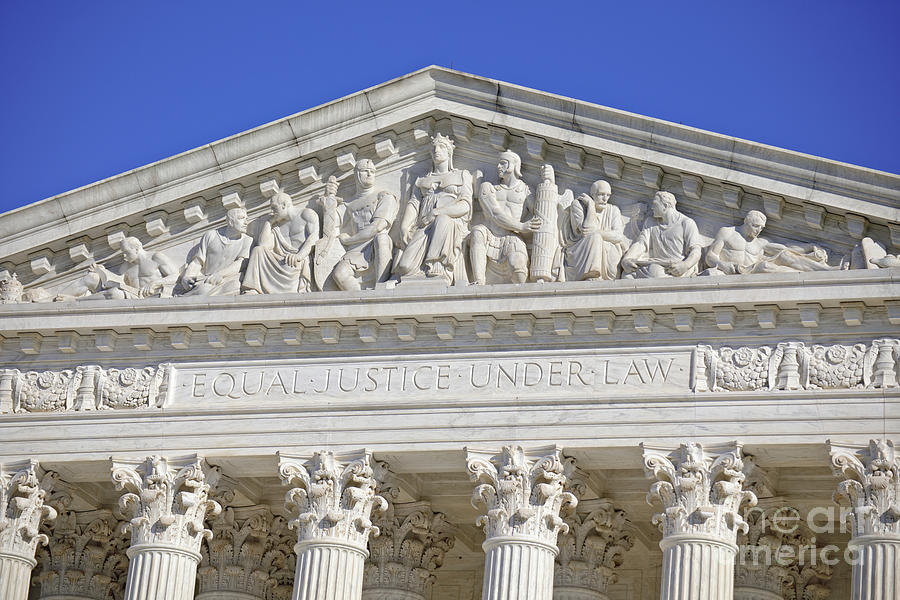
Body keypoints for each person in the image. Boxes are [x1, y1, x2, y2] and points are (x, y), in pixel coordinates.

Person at [394, 134, 473, 284]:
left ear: (450, 152)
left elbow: (465, 206)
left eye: (442, 147)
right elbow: (414, 203)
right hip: (424, 225)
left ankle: (438, 267)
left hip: (450, 224)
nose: (437, 150)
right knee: (405, 267)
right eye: (434, 148)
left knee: (443, 220)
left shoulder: (462, 175)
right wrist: (404, 226)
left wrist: (437, 212)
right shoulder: (422, 180)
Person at [468, 150, 539, 285]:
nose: (498, 167)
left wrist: (549, 183)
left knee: (519, 272)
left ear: (515, 165)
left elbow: (540, 213)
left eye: (503, 163)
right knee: (478, 231)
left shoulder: (526, 190)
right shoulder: (488, 188)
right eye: (498, 164)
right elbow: (495, 214)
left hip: (512, 237)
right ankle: (478, 281)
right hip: (490, 235)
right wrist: (522, 226)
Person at [329, 159, 398, 290]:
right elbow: (331, 228)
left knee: (382, 238)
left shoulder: (384, 196)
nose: (369, 174)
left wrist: (349, 240)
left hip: (376, 245)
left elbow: (378, 226)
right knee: (339, 275)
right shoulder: (347, 204)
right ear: (356, 174)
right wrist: (330, 198)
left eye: (372, 171)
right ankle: (363, 302)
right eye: (365, 171)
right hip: (355, 251)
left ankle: (380, 288)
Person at [705, 210, 833, 274]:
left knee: (784, 255)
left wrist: (809, 247)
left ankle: (825, 271)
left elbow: (787, 249)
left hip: (751, 271)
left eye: (761, 228)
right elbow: (710, 256)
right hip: (734, 271)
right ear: (746, 221)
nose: (758, 231)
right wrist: (722, 265)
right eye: (755, 226)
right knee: (765, 266)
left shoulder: (760, 242)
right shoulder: (727, 232)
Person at [242, 191, 319, 294]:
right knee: (257, 250)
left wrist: (299, 256)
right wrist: (269, 222)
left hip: (297, 260)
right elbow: (263, 245)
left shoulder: (306, 214)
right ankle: (253, 289)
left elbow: (314, 237)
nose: (272, 212)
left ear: (284, 205)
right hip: (281, 260)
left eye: (274, 208)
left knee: (292, 263)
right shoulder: (277, 224)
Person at [58, 236, 179, 300]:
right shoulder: (126, 265)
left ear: (136, 248)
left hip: (151, 296)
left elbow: (176, 275)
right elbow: (116, 281)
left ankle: (75, 301)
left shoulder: (155, 257)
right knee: (92, 277)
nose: (124, 257)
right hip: (133, 295)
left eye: (126, 252)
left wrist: (156, 283)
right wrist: (101, 271)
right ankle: (54, 298)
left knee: (115, 294)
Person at [621, 191, 701, 278]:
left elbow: (696, 250)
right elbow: (641, 244)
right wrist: (627, 259)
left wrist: (685, 265)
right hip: (653, 265)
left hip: (675, 268)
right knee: (627, 275)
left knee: (655, 273)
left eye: (655, 204)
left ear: (665, 206)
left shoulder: (686, 223)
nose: (652, 208)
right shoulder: (650, 222)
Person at [561, 179, 626, 281]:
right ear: (592, 194)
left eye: (608, 195)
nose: (605, 199)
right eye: (601, 194)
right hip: (579, 250)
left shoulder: (613, 210)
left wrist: (596, 233)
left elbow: (618, 236)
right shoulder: (578, 205)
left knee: (597, 237)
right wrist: (591, 206)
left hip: (608, 252)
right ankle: (591, 274)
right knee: (594, 238)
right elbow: (585, 231)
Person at [180, 207, 252, 295]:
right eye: (241, 218)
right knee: (204, 289)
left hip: (228, 279)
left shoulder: (247, 240)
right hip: (206, 280)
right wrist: (187, 276)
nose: (246, 223)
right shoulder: (211, 235)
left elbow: (241, 263)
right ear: (230, 222)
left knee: (236, 286)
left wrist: (220, 274)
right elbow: (197, 262)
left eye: (246, 219)